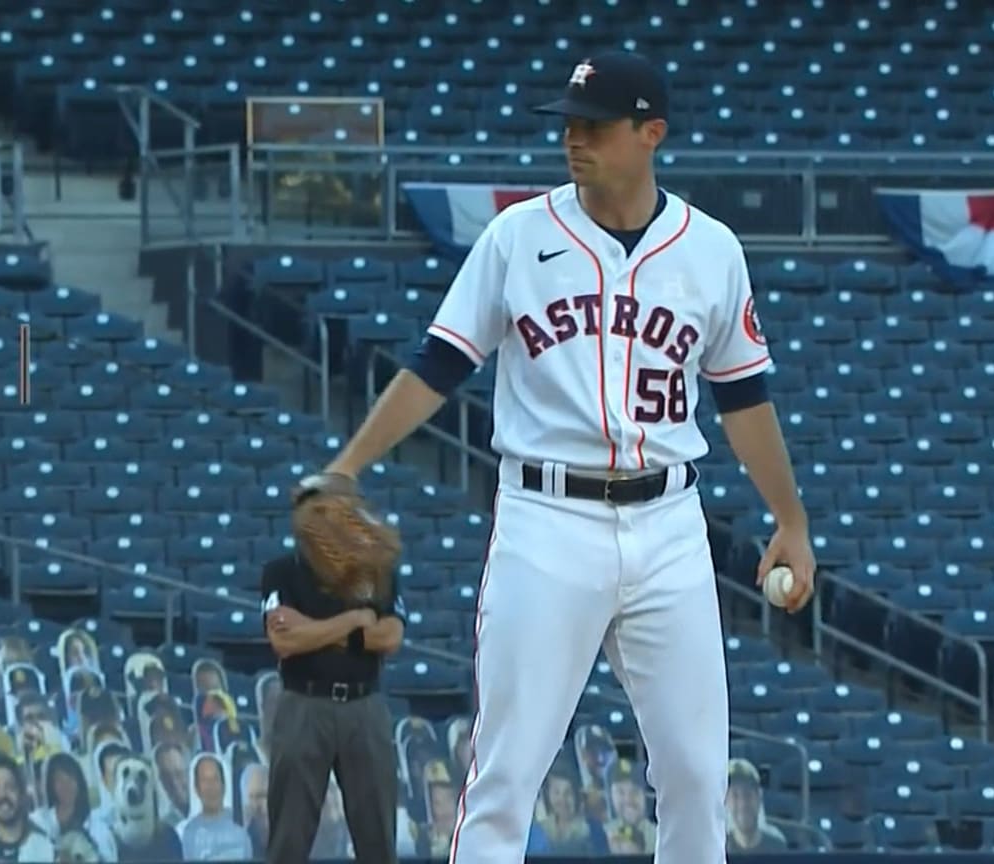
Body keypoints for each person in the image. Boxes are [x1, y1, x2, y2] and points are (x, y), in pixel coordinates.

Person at [298, 49, 816, 863]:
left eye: (595, 125)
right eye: (569, 123)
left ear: (652, 133)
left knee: (694, 774)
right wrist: (348, 465)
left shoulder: (711, 249)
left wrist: (790, 519)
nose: (573, 138)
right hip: (547, 520)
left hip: (671, 522)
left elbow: (744, 397)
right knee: (506, 773)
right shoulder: (517, 237)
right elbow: (438, 363)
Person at [258, 498, 406, 863]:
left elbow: (390, 638)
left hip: (364, 707)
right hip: (304, 706)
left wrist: (314, 630)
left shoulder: (377, 572)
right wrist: (354, 622)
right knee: (288, 840)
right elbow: (284, 641)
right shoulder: (281, 572)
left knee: (378, 840)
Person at [178, 754, 251, 861]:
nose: (210, 787)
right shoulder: (190, 832)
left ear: (224, 784)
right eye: (205, 781)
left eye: (215, 779)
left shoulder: (241, 823)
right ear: (196, 788)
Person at [724, 759, 787, 853]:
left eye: (748, 794)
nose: (743, 803)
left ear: (759, 797)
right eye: (735, 795)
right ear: (727, 801)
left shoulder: (777, 847)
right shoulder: (721, 848)